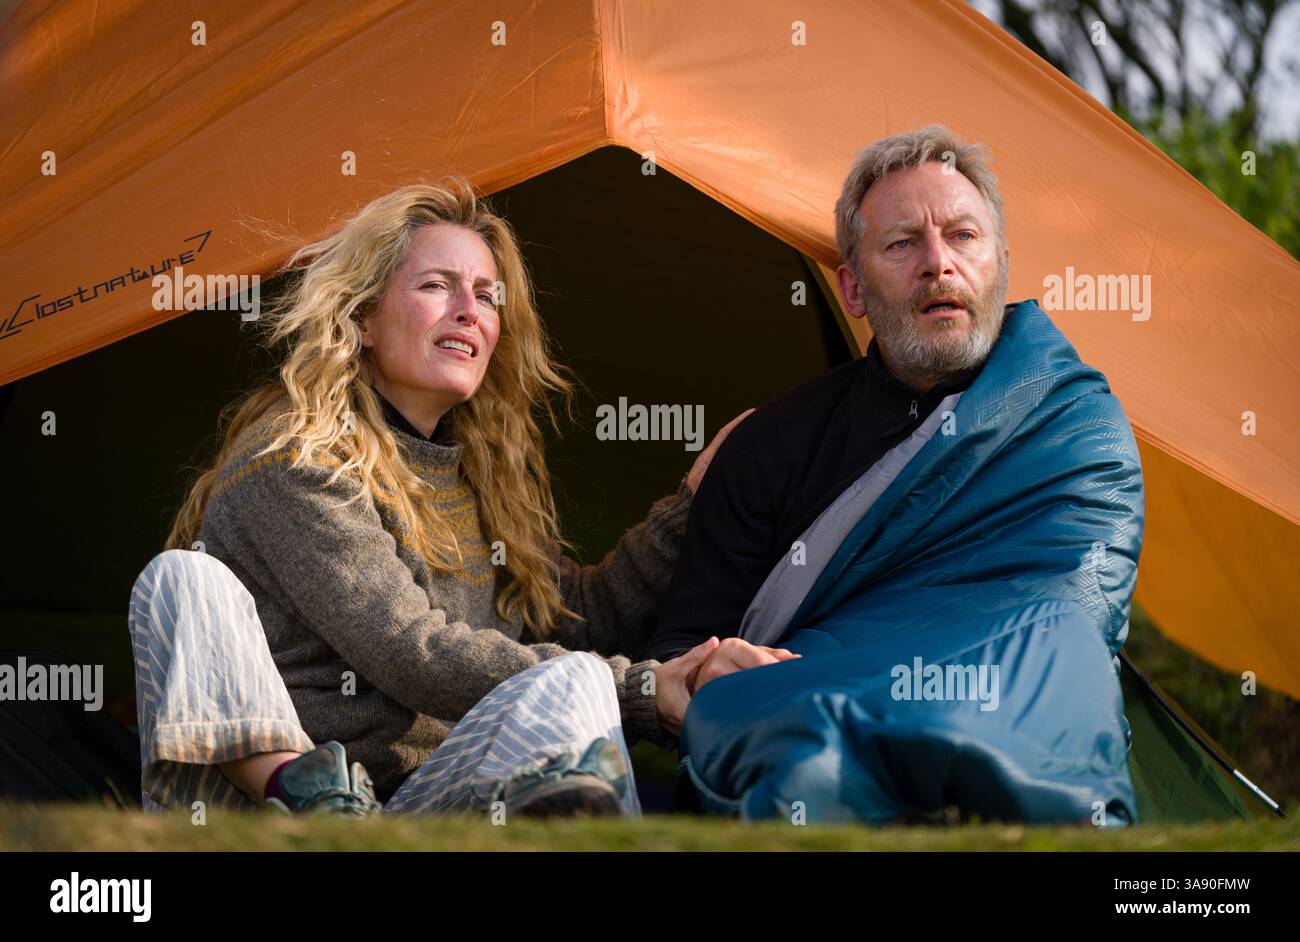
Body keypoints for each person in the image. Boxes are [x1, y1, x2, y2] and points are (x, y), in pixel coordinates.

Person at [129, 178, 792, 819]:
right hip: (268, 815)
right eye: (436, 286)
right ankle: (307, 792)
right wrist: (646, 690)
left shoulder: (476, 475)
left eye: (485, 294)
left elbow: (572, 619)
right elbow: (411, 649)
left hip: (415, 804)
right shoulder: (295, 462)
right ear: (362, 316)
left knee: (575, 679)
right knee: (179, 575)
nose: (469, 310)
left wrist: (694, 504)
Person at [646, 126, 1145, 825]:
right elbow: (680, 651)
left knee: (1061, 647)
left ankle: (907, 762)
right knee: (741, 706)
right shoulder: (770, 446)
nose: (939, 264)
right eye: (902, 243)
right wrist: (710, 668)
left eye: (963, 236)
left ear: (1001, 262)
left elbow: (1072, 614)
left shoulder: (1075, 423)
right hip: (809, 694)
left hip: (1004, 687)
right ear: (852, 288)